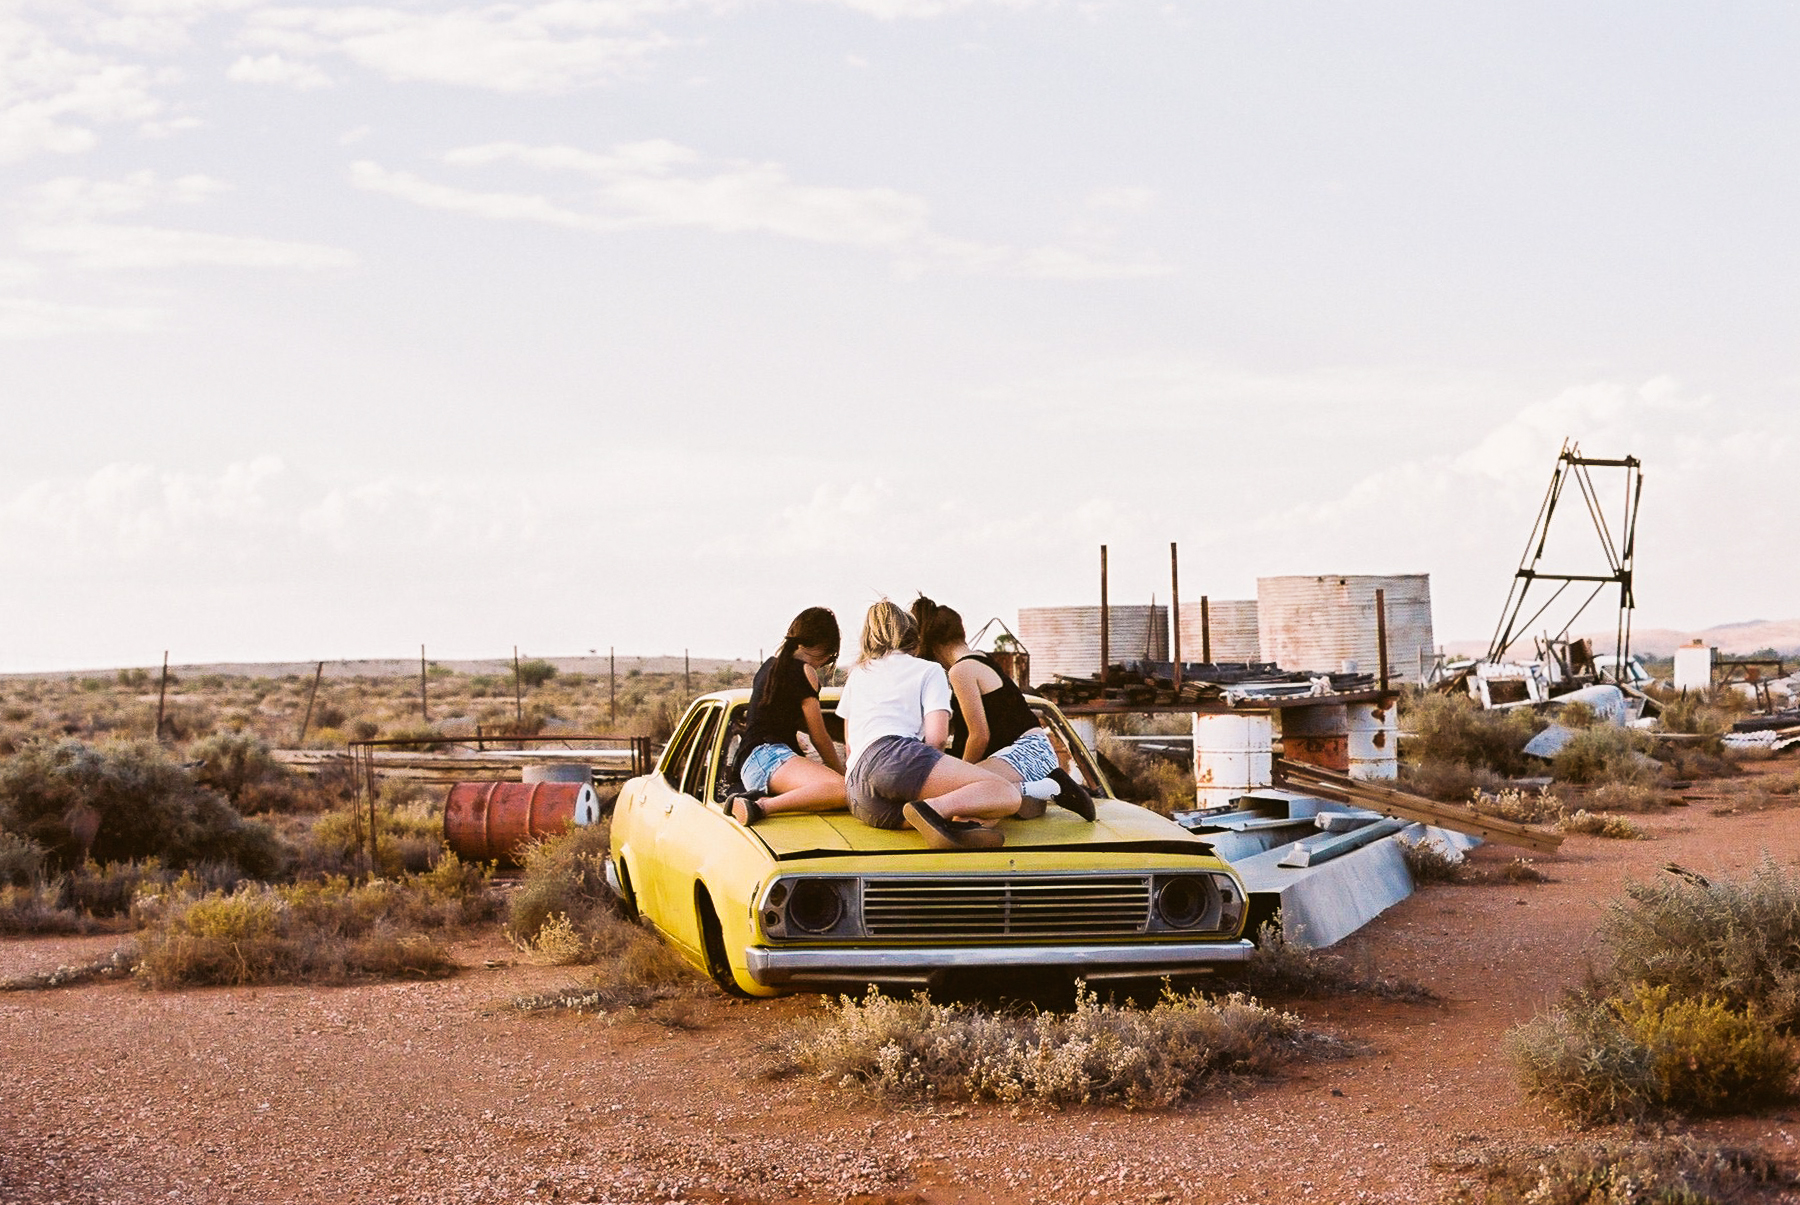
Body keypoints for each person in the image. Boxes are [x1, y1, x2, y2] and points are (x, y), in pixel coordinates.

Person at [837, 599, 1020, 850]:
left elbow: (849, 746)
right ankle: (934, 808)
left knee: (974, 805)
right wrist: (932, 774)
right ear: (915, 641)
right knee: (1005, 794)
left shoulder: (858, 673)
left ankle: (957, 827)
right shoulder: (928, 670)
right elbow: (937, 738)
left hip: (859, 796)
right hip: (897, 760)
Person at [911, 596, 1094, 821]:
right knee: (976, 810)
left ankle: (1050, 787)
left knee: (958, 794)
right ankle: (1037, 791)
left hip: (1024, 753)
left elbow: (979, 736)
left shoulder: (961, 671)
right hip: (1035, 752)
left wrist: (958, 776)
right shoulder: (980, 658)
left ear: (933, 645)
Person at [727, 607, 846, 825]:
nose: (826, 662)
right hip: (769, 756)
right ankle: (759, 806)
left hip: (753, 761)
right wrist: (845, 775)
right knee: (844, 789)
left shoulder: (769, 667)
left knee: (832, 793)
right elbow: (820, 737)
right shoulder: (805, 671)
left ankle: (765, 801)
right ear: (821, 646)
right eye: (830, 656)